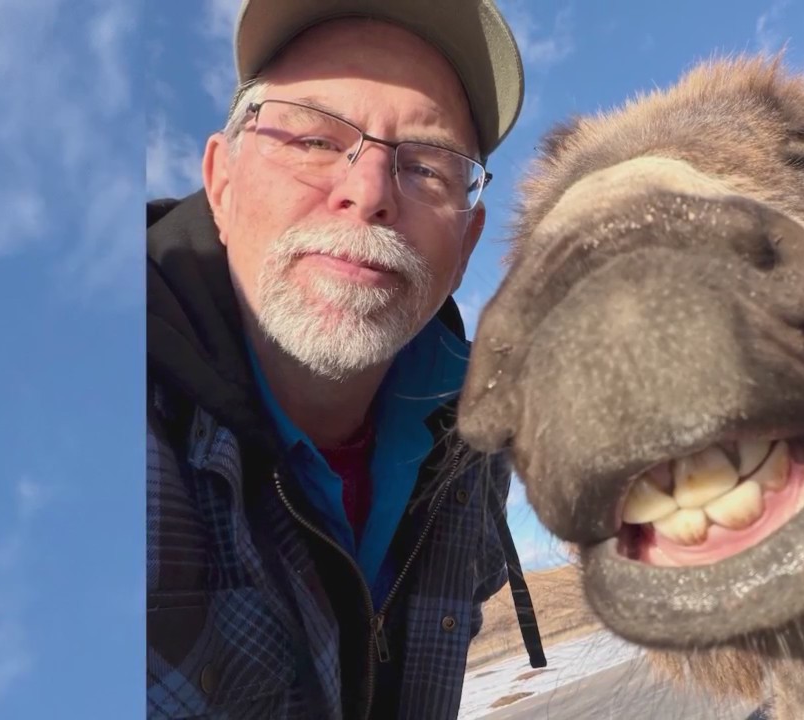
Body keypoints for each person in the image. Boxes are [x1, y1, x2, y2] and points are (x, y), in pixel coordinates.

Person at [146, 1, 544, 718]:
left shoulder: (474, 445)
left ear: (467, 245)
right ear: (221, 182)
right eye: (313, 140)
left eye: (426, 165)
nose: (367, 192)